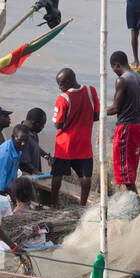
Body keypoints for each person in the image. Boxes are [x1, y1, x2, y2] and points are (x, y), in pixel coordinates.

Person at [50, 68, 99, 207]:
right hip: (83, 143)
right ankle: (82, 205)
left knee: (57, 174)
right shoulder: (91, 91)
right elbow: (96, 116)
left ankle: (54, 204)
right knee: (85, 176)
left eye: (61, 84)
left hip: (65, 144)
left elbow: (58, 124)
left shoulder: (63, 98)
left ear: (70, 81)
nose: (60, 87)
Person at [109, 50, 140, 193]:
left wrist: (97, 113)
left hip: (126, 128)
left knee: (125, 174)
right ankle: (132, 198)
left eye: (114, 69)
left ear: (117, 65)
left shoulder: (122, 80)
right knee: (129, 169)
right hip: (137, 126)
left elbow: (115, 108)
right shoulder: (138, 77)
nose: (115, 72)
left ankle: (133, 202)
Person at [0, 123, 29, 201]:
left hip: (7, 187)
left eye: (26, 140)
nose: (23, 143)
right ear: (13, 137)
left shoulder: (17, 149)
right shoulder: (5, 155)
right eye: (20, 140)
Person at [18, 108, 47, 175]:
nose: (42, 127)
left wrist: (46, 156)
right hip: (27, 177)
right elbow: (23, 163)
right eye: (42, 125)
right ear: (33, 123)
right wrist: (36, 172)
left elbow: (36, 147)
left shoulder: (34, 133)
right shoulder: (21, 136)